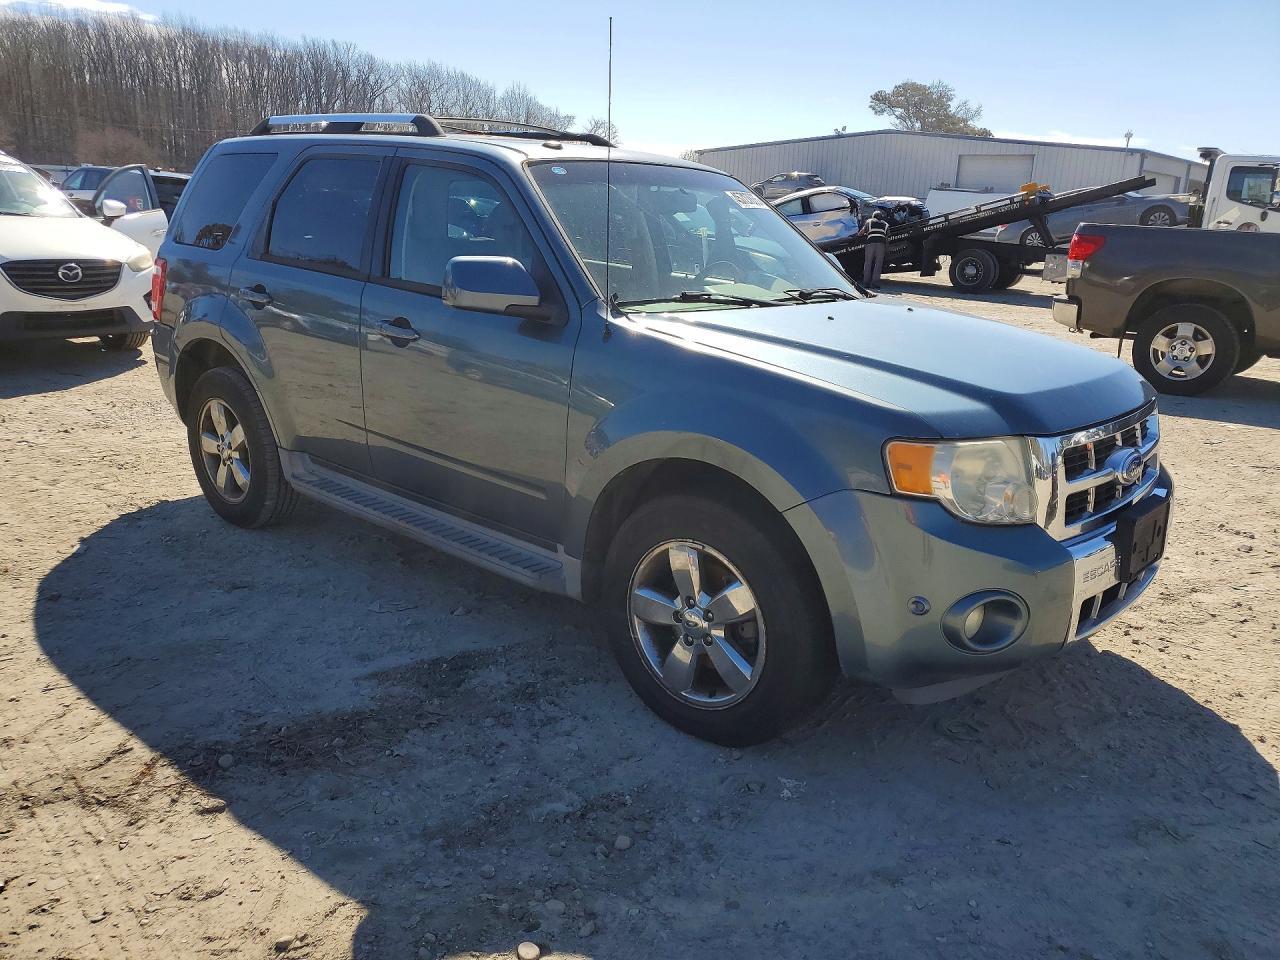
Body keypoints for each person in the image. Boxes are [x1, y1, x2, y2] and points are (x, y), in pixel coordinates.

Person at [858, 209, 889, 289]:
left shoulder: (869, 222)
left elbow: (861, 233)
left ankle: (866, 283)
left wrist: (862, 234)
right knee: (878, 264)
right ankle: (875, 283)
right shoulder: (886, 224)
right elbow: (887, 236)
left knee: (868, 263)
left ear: (873, 216)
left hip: (870, 243)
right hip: (881, 244)